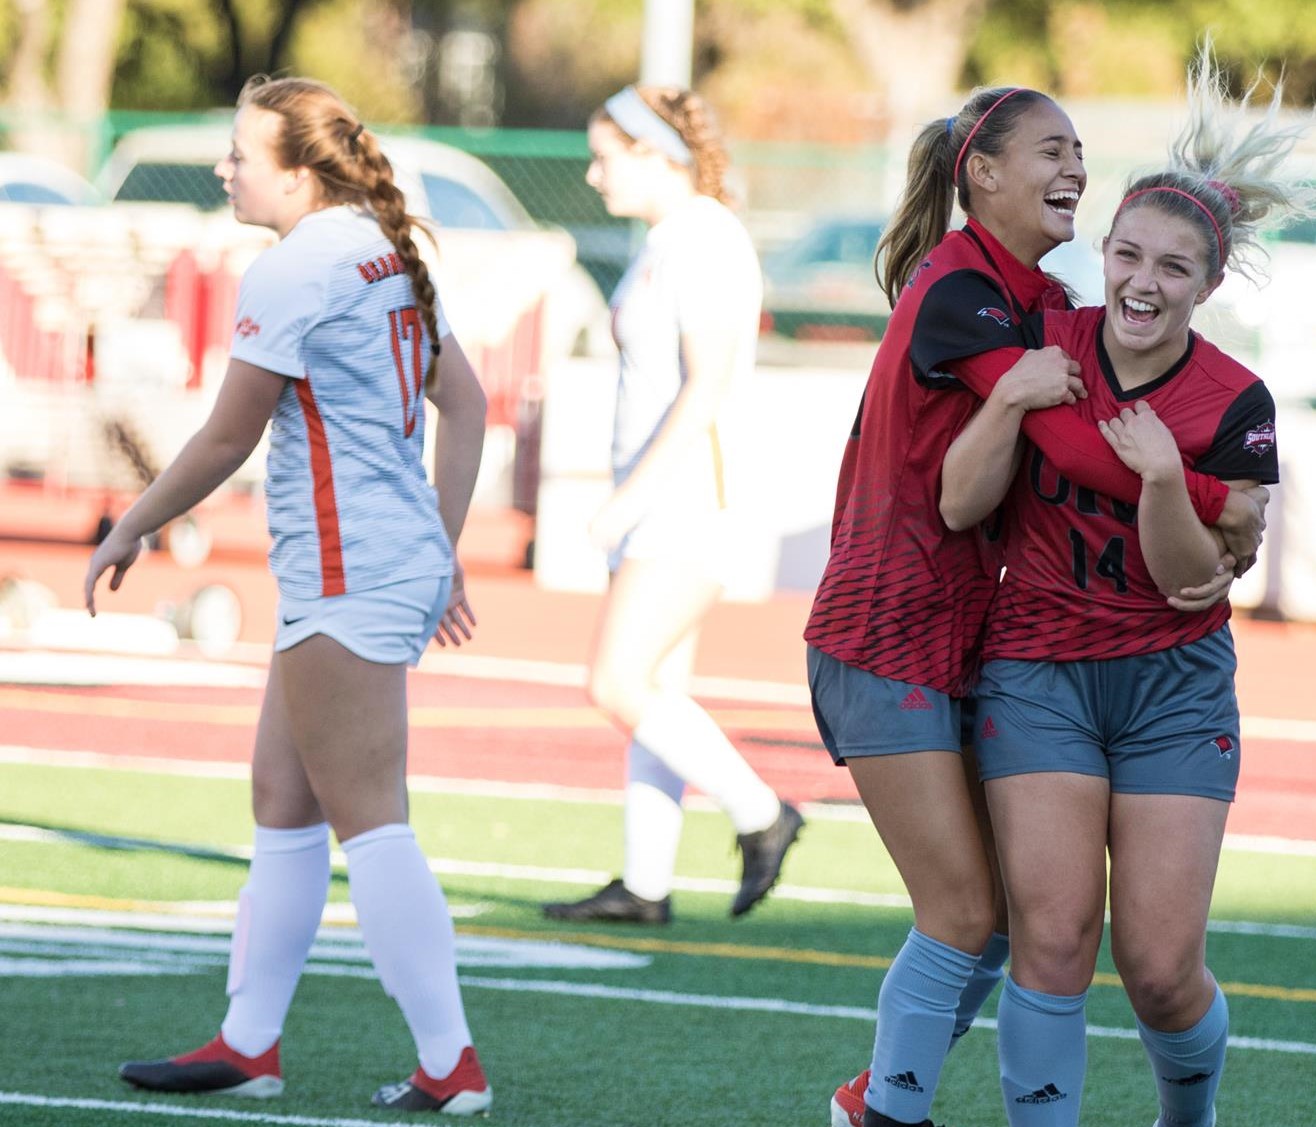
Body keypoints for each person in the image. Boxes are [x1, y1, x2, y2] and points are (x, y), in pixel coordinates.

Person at [807, 85, 1272, 1127]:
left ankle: (878, 1096)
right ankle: (884, 1108)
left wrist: (1207, 504)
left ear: (1208, 282)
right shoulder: (970, 291)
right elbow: (1030, 459)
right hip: (894, 625)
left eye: (1079, 150)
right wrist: (1215, 502)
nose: (1072, 165)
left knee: (1053, 935)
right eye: (1050, 149)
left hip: (1012, 642)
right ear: (980, 172)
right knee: (978, 913)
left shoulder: (1032, 305)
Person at [87, 76, 492, 1114]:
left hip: (350, 566)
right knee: (282, 794)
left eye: (242, 152)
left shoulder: (298, 263)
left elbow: (229, 434)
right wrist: (437, 549)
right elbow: (466, 403)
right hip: (368, 558)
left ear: (300, 172)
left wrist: (131, 522)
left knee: (371, 821)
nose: (225, 167)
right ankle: (249, 1040)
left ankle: (450, 1058)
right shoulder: (378, 240)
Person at [938, 48, 1314, 1127]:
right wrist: (1006, 400)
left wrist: (1163, 476)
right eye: (1128, 255)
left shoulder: (1236, 401)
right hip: (1039, 672)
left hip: (1170, 687)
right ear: (1102, 251)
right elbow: (965, 502)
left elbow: (1195, 579)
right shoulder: (1043, 338)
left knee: (1157, 967)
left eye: (1173, 269)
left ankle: (1184, 1113)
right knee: (1052, 937)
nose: (1143, 283)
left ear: (1209, 284)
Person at [540, 84, 804, 927]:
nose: (592, 173)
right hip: (667, 499)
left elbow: (708, 385)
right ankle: (646, 881)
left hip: (691, 500)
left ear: (656, 154)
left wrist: (626, 501)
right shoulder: (670, 240)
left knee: (617, 680)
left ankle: (762, 811)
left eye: (606, 155)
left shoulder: (705, 239)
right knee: (656, 689)